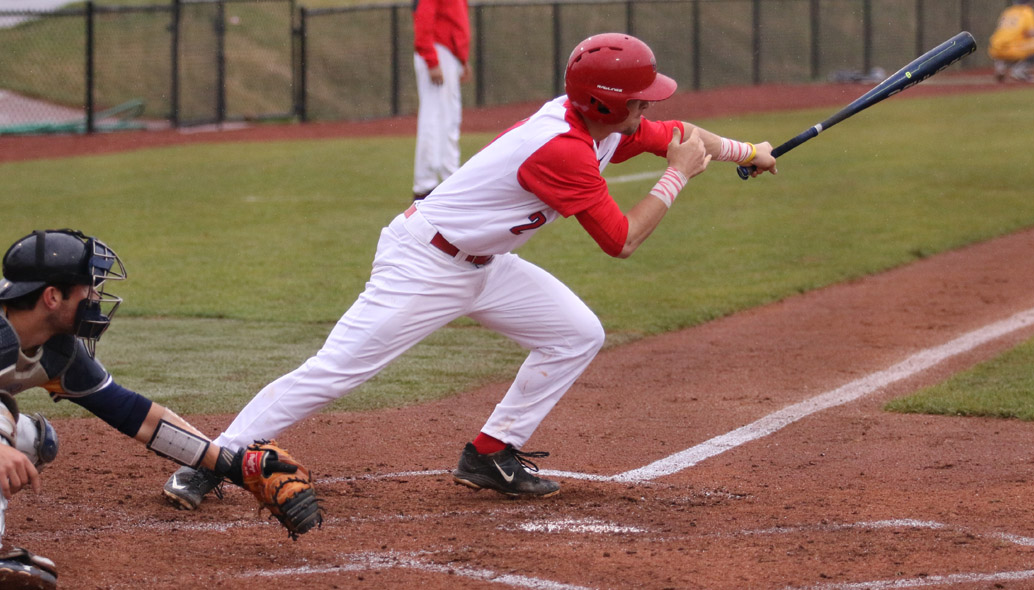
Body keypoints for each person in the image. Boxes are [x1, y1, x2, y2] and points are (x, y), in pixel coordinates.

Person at [163, 32, 776, 506]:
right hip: (423, 264)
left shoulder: (599, 123)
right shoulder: (562, 148)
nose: (648, 105)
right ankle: (211, 459)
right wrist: (676, 177)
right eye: (640, 97)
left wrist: (748, 152)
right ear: (606, 102)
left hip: (484, 265)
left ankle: (490, 453)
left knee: (576, 333)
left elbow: (683, 134)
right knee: (336, 372)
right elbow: (621, 239)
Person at [0, 230, 320, 590]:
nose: (96, 298)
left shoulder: (59, 353)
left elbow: (138, 416)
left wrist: (234, 467)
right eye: (88, 288)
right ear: (51, 297)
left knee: (34, 442)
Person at [411, 0, 471, 200]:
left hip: (446, 52)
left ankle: (441, 180)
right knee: (436, 117)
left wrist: (461, 59)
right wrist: (431, 59)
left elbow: (454, 19)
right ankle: (429, 183)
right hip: (438, 51)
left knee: (447, 117)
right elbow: (423, 19)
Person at [988, 0, 1034, 82]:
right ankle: (1019, 71)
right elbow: (1032, 34)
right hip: (1012, 49)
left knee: (1012, 44)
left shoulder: (1008, 11)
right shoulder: (1027, 11)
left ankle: (1001, 66)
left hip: (994, 49)